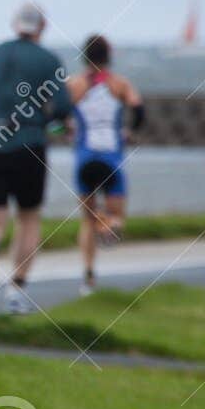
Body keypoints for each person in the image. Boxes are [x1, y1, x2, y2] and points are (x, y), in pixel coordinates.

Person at [0, 2, 73, 314]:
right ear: (42, 27)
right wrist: (47, 121)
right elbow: (63, 106)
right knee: (28, 217)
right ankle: (16, 290)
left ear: (14, 23)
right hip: (30, 145)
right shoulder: (49, 60)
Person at [66, 35, 144, 294]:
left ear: (84, 56)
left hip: (85, 159)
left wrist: (66, 129)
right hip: (112, 159)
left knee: (87, 221)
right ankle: (110, 227)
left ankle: (88, 276)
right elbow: (139, 111)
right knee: (118, 216)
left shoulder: (74, 85)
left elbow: (56, 115)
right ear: (108, 56)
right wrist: (130, 132)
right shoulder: (120, 84)